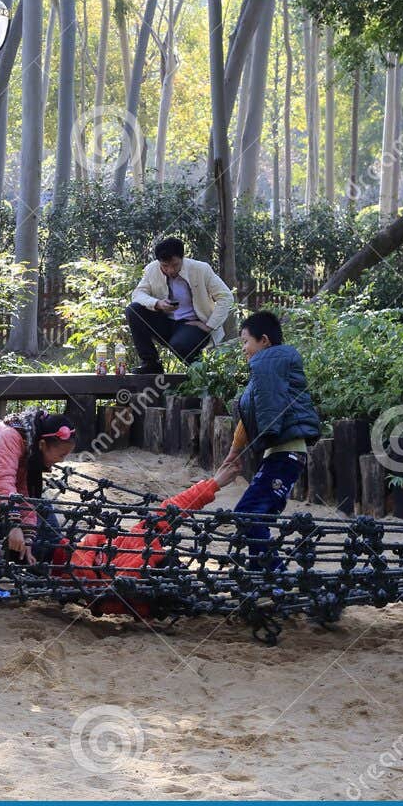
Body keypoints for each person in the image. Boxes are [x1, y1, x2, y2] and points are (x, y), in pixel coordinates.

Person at [62, 455, 240, 618]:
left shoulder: (133, 546)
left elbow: (171, 510)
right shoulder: (131, 552)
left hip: (68, 559)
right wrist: (214, 484)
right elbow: (171, 510)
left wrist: (214, 484)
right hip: (73, 562)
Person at [216, 311, 322, 566]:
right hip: (279, 455)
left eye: (245, 341)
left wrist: (266, 435)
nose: (243, 349)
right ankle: (261, 573)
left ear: (264, 340)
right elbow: (251, 413)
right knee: (250, 514)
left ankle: (272, 576)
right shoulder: (265, 369)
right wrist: (235, 451)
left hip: (285, 454)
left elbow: (269, 406)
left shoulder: (269, 362)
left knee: (249, 513)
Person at [0, 410, 77, 598]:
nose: (62, 461)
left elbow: (23, 493)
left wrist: (27, 537)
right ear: (43, 444)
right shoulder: (11, 438)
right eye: (61, 455)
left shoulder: (30, 450)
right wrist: (13, 524)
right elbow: (3, 481)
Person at [125, 237, 236, 373]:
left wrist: (209, 325)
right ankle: (151, 363)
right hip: (165, 323)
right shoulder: (151, 269)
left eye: (175, 265)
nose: (170, 270)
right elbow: (137, 294)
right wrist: (157, 304)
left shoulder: (201, 269)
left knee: (179, 345)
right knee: (133, 310)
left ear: (182, 259)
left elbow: (226, 297)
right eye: (165, 266)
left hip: (193, 325)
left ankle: (201, 373)